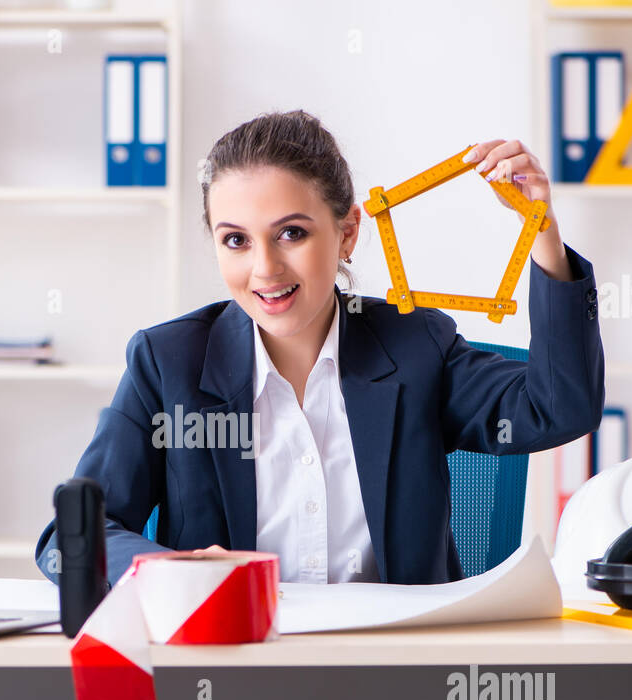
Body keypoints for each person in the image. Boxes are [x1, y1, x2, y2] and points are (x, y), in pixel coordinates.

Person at [35, 109, 603, 587]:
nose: (265, 268)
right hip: (234, 671)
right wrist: (175, 570)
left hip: (395, 675)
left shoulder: (415, 346)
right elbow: (73, 539)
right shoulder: (168, 364)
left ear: (348, 232)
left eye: (292, 233)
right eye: (236, 240)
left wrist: (543, 232)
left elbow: (560, 407)